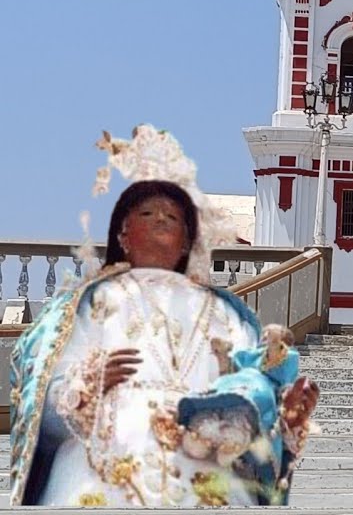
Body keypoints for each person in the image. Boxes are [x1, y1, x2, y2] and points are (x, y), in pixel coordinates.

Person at [9, 127, 320, 507]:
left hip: (207, 469)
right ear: (122, 233)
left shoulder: (224, 313)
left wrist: (282, 415)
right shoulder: (89, 305)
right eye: (146, 213)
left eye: (171, 216)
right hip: (105, 463)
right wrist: (86, 389)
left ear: (188, 239)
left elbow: (253, 390)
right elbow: (43, 398)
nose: (160, 220)